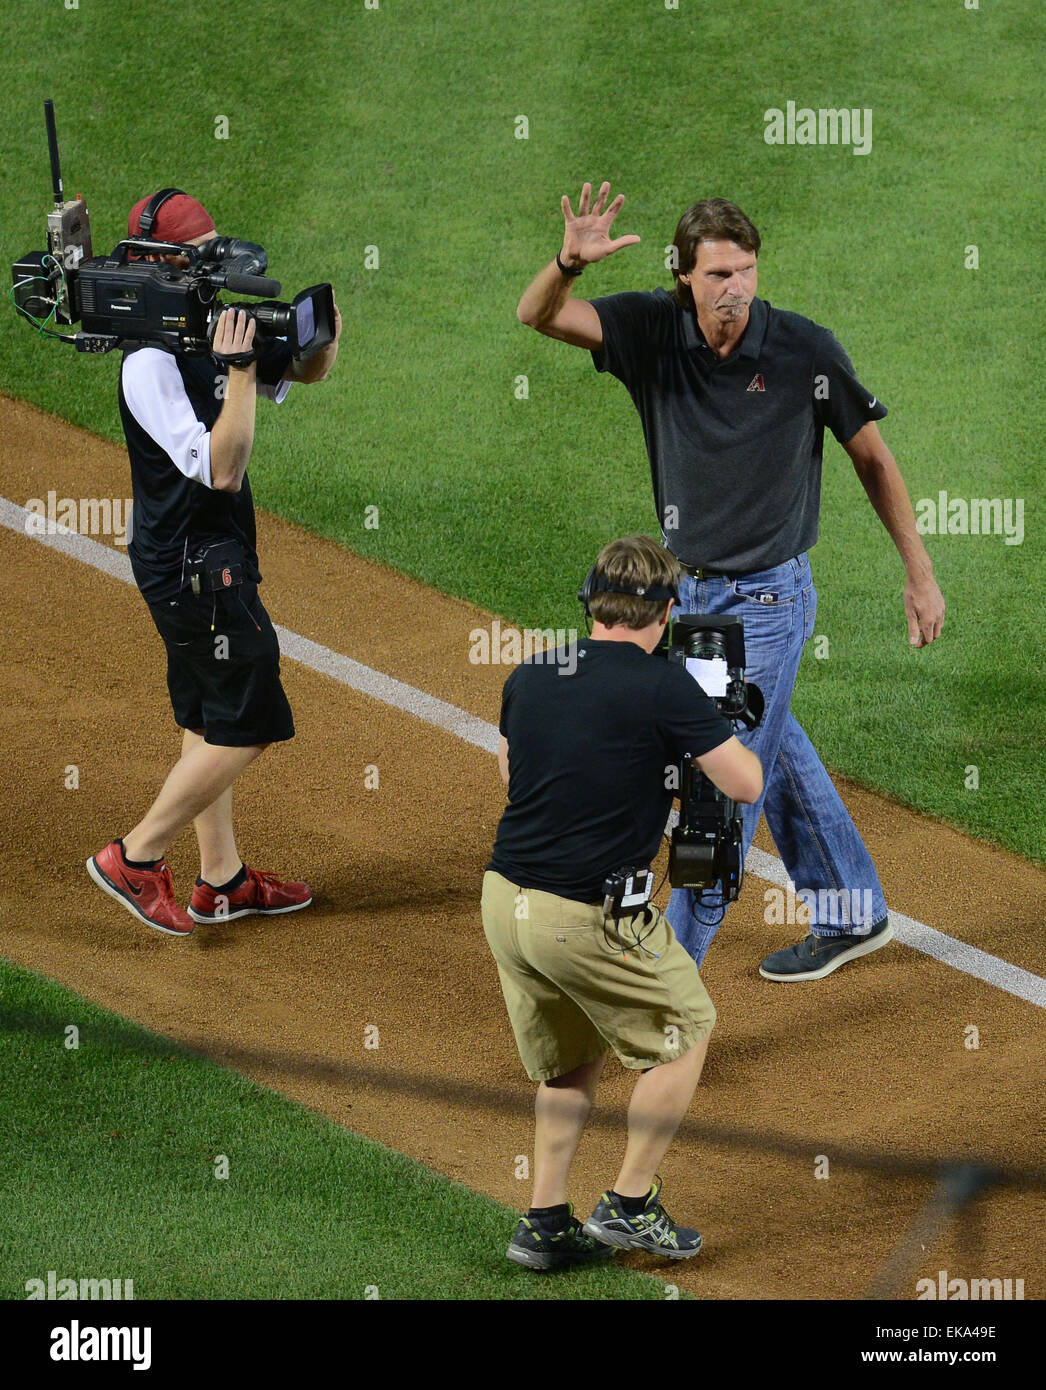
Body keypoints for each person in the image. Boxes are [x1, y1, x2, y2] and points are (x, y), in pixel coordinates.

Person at [516, 184, 945, 982]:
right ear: (684, 276)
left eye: (745, 271)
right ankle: (853, 909)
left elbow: (874, 459)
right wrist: (568, 263)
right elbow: (538, 315)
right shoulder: (651, 331)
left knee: (716, 802)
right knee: (766, 746)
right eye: (717, 274)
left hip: (770, 602)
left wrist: (919, 574)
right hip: (690, 601)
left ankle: (667, 990)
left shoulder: (804, 351)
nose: (735, 289)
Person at [483, 535, 763, 1268]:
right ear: (667, 613)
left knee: (569, 1065)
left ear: (590, 601)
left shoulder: (532, 672)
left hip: (505, 903)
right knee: (687, 1033)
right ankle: (631, 1204)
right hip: (584, 917)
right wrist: (712, 723)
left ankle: (544, 1224)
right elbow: (745, 783)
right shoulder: (665, 687)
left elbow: (513, 771)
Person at [86, 190, 342, 936]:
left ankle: (221, 880)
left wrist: (319, 333)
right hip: (189, 569)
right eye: (200, 259)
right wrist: (239, 372)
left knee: (208, 716)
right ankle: (135, 857)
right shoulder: (148, 364)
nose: (215, 271)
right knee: (250, 719)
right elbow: (221, 468)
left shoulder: (205, 326)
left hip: (213, 553)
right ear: (164, 266)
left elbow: (306, 374)